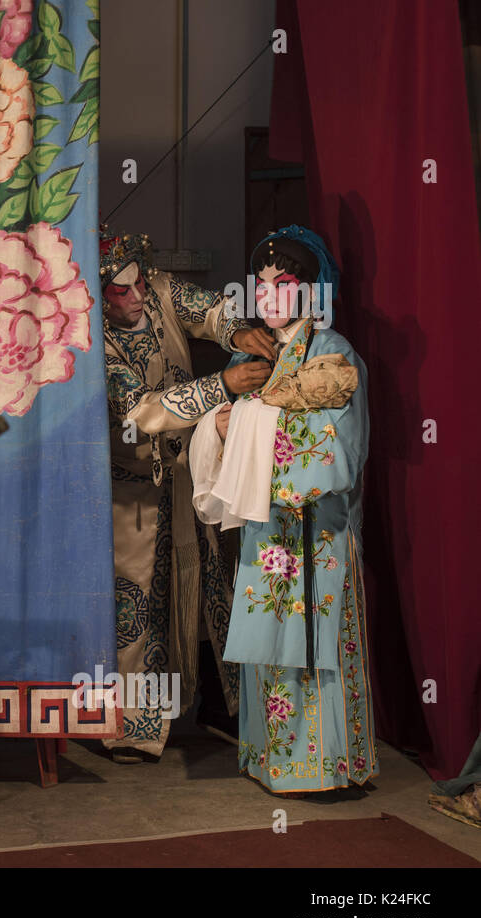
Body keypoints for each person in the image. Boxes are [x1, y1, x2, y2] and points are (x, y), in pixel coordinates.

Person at [203, 225, 376, 794]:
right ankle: (267, 758)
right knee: (264, 632)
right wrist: (223, 429)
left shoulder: (333, 354)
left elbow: (336, 448)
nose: (268, 296)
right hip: (264, 527)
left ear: (313, 291)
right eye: (261, 285)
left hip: (313, 529)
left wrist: (254, 424)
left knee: (311, 639)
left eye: (284, 284)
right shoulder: (253, 354)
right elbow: (229, 428)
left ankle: (323, 766)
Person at [100, 229, 277, 762]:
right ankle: (133, 725)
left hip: (190, 471)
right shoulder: (90, 342)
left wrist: (240, 332)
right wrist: (223, 385)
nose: (133, 297)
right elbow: (139, 411)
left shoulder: (156, 287)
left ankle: (219, 705)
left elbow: (209, 310)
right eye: (118, 291)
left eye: (136, 282)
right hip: (131, 490)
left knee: (210, 588)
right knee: (138, 601)